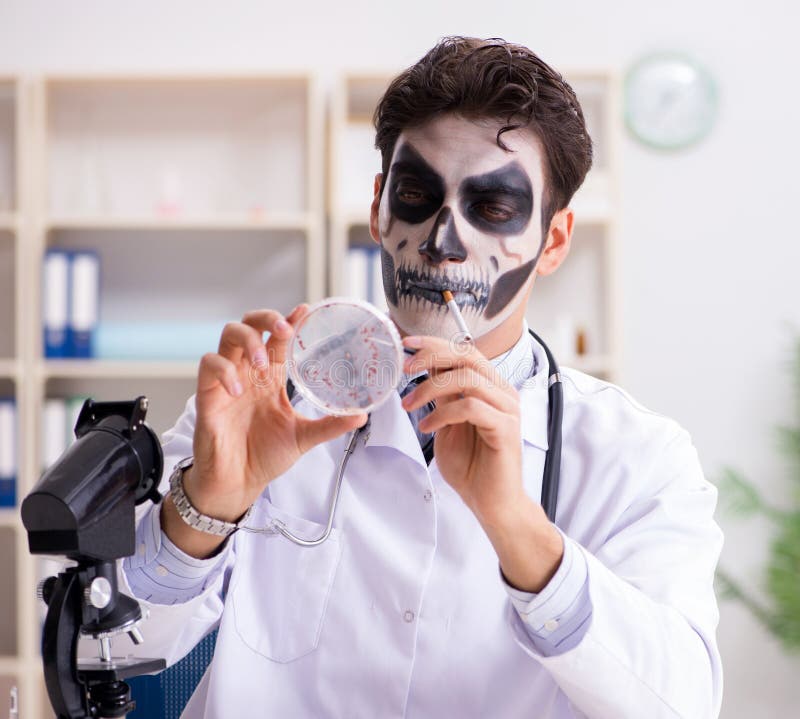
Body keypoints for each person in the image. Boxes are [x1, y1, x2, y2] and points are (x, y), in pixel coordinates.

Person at [118, 36, 723, 718]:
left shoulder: (637, 456)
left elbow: (681, 705)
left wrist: (517, 523)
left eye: (492, 208)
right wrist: (205, 509)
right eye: (416, 194)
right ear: (379, 207)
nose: (441, 242)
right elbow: (101, 655)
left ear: (553, 241)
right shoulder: (259, 404)